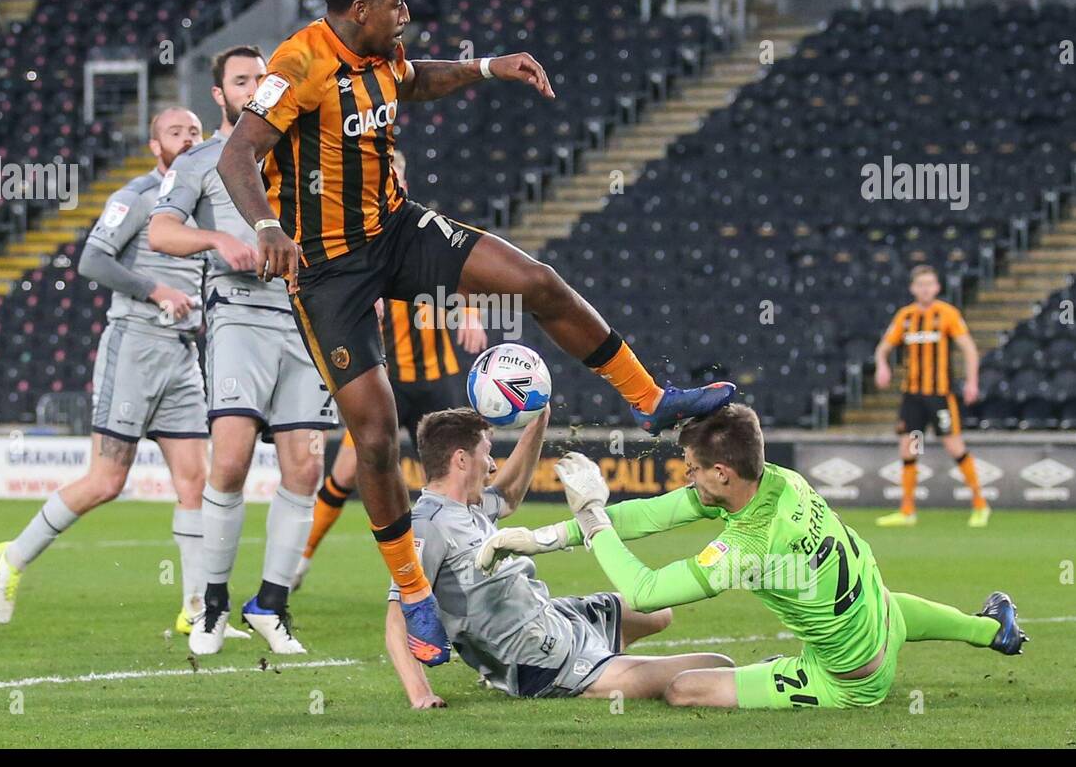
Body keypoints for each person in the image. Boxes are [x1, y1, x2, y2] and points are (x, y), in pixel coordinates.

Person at [215, 0, 734, 665]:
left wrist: (490, 66)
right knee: (373, 435)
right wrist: (268, 226)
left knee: (539, 281)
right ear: (358, 8)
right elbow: (236, 155)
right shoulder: (298, 64)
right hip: (328, 268)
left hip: (395, 230)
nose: (407, 10)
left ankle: (650, 399)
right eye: (395, 0)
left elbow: (414, 82)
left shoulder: (383, 54)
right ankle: (416, 596)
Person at [477, 404, 1028, 710]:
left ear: (721, 473)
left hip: (851, 680)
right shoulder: (780, 482)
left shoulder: (751, 548)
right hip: (879, 620)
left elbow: (644, 591)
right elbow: (647, 516)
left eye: (692, 468)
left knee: (685, 689)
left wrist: (593, 516)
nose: (687, 477)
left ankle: (795, 678)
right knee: (881, 605)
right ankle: (991, 631)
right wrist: (540, 538)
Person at [0, 106, 236, 637]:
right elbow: (92, 261)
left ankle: (196, 608)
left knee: (196, 483)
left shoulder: (205, 203)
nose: (188, 138)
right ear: (155, 145)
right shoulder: (136, 197)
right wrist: (156, 290)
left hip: (182, 356)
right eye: (176, 132)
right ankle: (13, 556)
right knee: (105, 481)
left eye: (195, 131)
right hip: (135, 347)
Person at [149, 46, 337, 655]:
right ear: (220, 95)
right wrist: (215, 240)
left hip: (305, 318)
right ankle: (212, 604)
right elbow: (160, 231)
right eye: (242, 80)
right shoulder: (202, 160)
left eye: (262, 78)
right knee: (229, 461)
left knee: (305, 468)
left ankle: (271, 605)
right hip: (238, 317)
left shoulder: (306, 152)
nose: (255, 86)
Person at [385, 406, 733, 707]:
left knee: (659, 612)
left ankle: (611, 659)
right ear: (461, 459)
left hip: (555, 617)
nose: (491, 465)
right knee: (716, 667)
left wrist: (539, 421)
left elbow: (507, 495)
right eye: (486, 452)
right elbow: (399, 617)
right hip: (543, 660)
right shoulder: (427, 527)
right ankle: (602, 673)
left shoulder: (470, 507)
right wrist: (420, 695)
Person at [296, 150, 489, 590]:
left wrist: (471, 311)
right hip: (383, 374)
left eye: (393, 172)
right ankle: (298, 560)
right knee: (347, 472)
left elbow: (464, 270)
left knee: (459, 473)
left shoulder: (420, 227)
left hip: (436, 378)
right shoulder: (347, 233)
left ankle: (469, 565)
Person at [873, 264, 990, 528]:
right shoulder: (905, 317)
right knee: (909, 448)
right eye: (920, 284)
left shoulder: (947, 314)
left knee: (954, 446)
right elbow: (883, 347)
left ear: (937, 287)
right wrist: (882, 364)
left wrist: (972, 382)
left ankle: (980, 504)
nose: (925, 289)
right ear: (913, 288)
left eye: (930, 284)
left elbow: (969, 349)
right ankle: (907, 510)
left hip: (940, 396)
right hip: (912, 397)